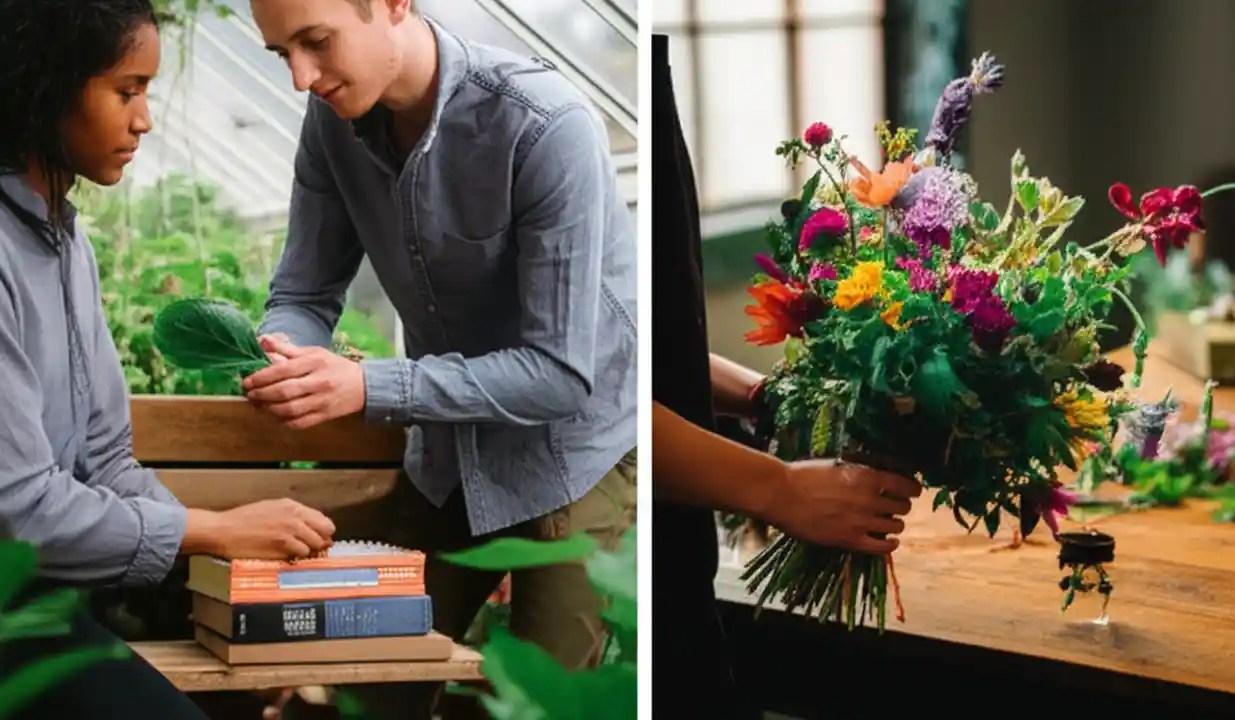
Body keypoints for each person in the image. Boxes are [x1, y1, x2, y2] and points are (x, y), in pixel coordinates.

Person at [238, 0, 637, 715]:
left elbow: (560, 374)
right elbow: (303, 288)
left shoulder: (544, 126)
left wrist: (367, 385)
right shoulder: (332, 122)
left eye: (317, 42)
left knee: (538, 703)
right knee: (363, 692)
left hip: (568, 460)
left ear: (394, 4)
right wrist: (287, 350)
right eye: (281, 54)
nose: (301, 76)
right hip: (447, 454)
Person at [0, 2, 338, 718]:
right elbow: (20, 511)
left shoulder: (66, 243)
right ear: (50, 84)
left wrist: (234, 584)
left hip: (57, 594)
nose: (145, 120)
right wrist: (215, 530)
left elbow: (107, 460)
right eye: (127, 90)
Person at [652, 34, 921, 718]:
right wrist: (777, 488)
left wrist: (759, 397)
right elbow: (589, 397)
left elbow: (639, 356)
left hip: (683, 571)